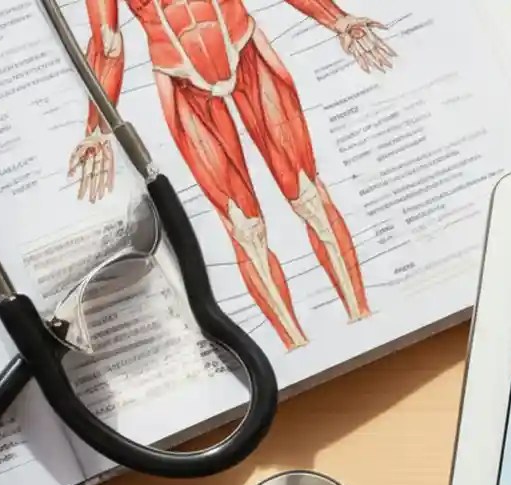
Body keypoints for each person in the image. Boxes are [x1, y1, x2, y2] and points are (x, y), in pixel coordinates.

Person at [68, 0, 395, 351]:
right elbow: (107, 42)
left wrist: (338, 19)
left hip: (246, 47)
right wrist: (96, 127)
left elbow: (109, 43)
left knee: (308, 196)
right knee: (245, 229)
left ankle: (364, 324)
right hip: (180, 80)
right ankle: (296, 352)